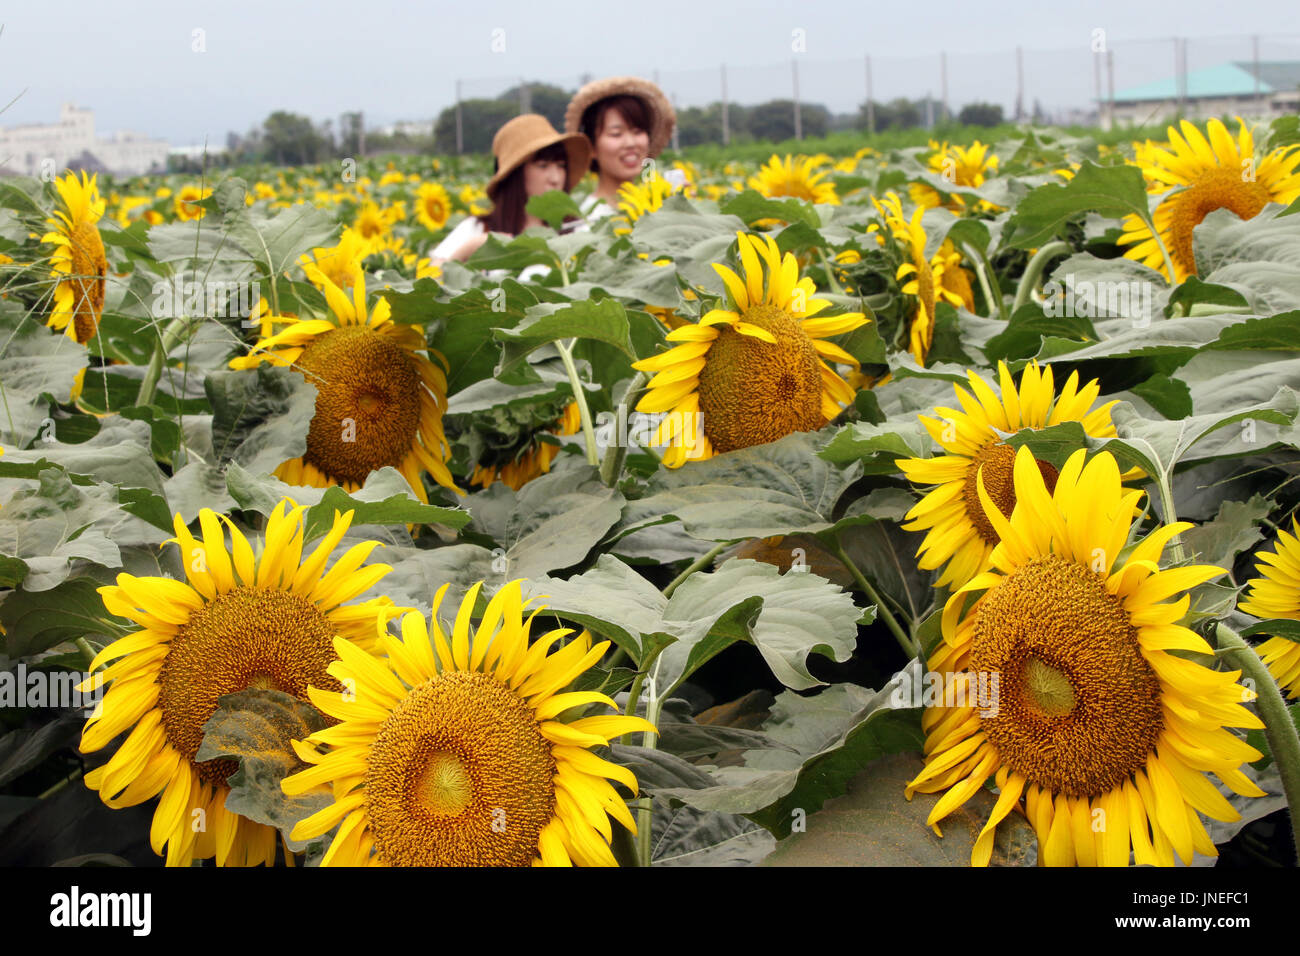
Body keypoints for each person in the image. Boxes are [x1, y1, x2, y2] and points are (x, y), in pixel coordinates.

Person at [430, 113, 592, 265]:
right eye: (543, 166)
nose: (555, 178)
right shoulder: (478, 229)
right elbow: (430, 280)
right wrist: (469, 249)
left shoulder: (576, 231)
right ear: (516, 174)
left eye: (561, 166)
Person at [564, 76, 681, 220]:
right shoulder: (588, 221)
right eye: (616, 134)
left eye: (637, 131)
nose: (631, 143)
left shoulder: (656, 205)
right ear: (591, 147)